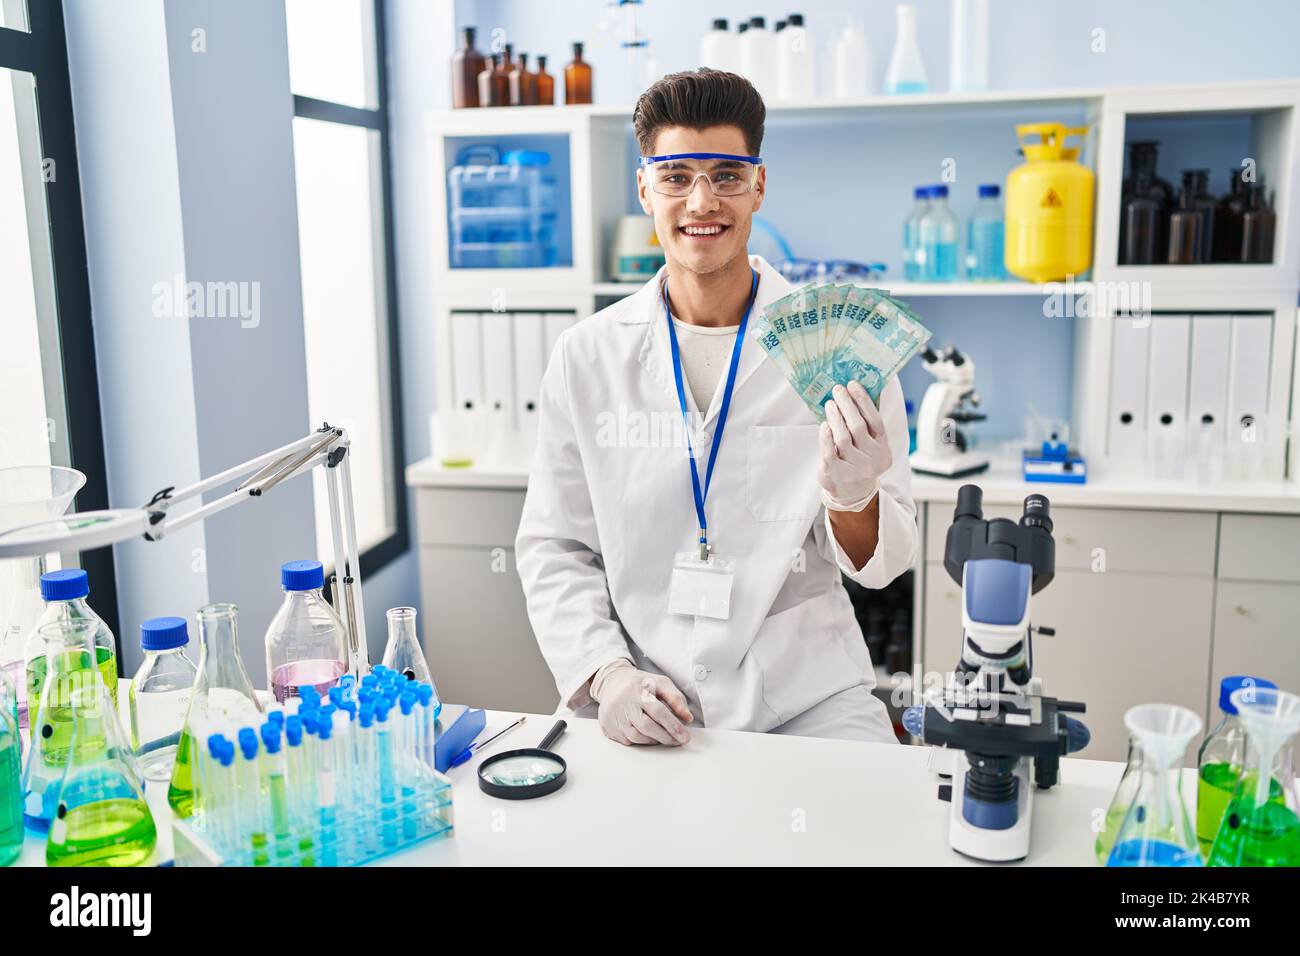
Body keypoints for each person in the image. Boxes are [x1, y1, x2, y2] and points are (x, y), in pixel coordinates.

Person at [516, 69, 918, 747]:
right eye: (676, 176)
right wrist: (608, 676)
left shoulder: (838, 350)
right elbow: (555, 547)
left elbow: (883, 565)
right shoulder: (586, 357)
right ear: (645, 188)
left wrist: (856, 499)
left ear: (759, 186)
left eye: (727, 174)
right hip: (645, 693)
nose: (702, 200)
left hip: (809, 698)